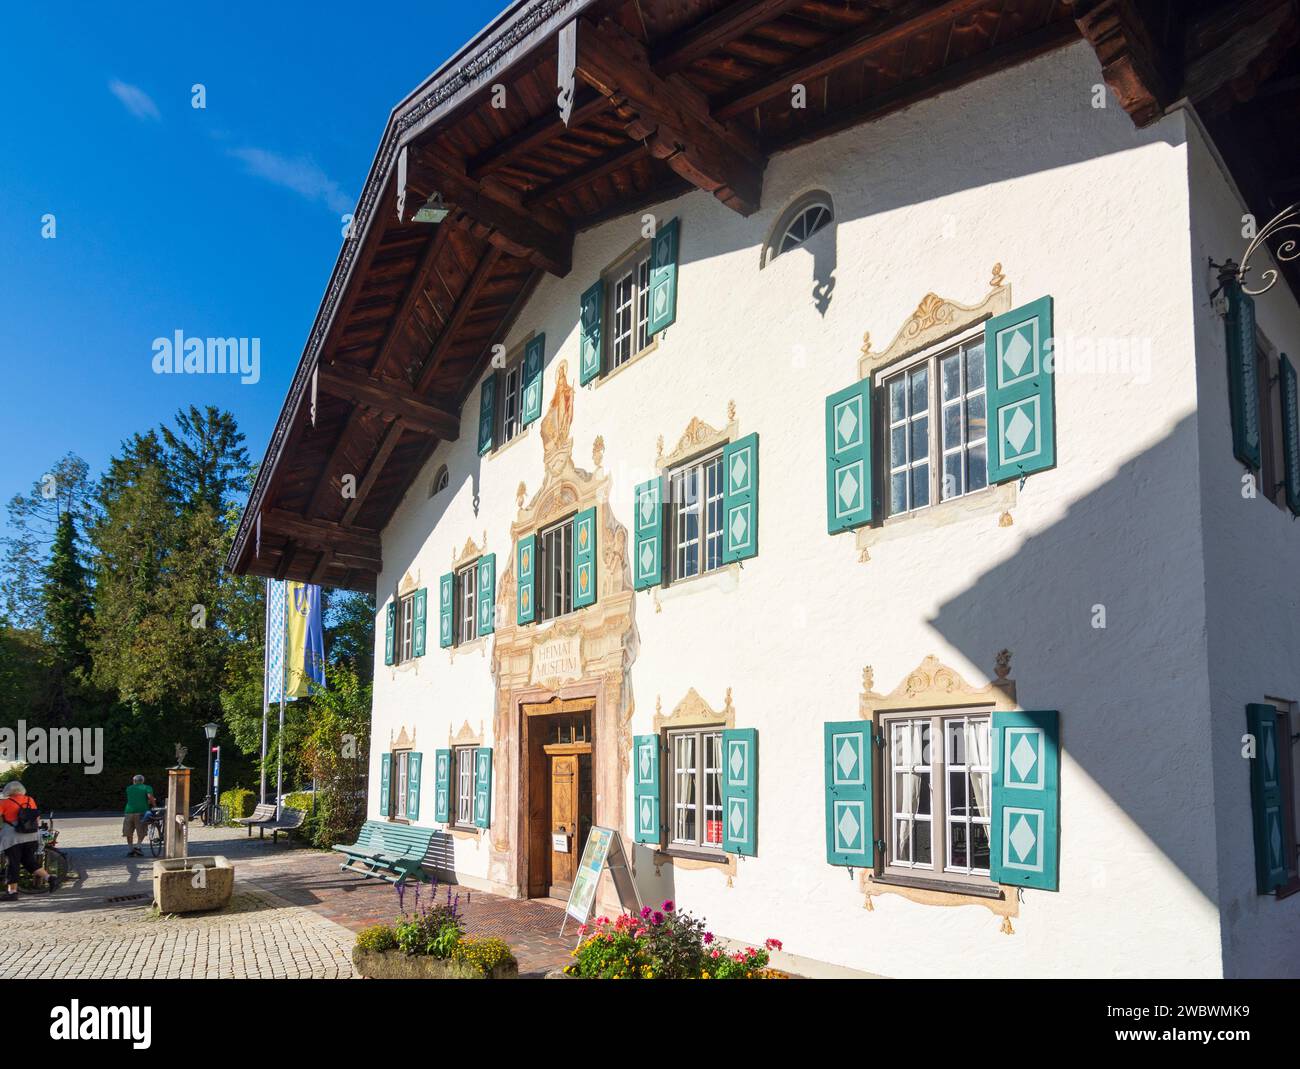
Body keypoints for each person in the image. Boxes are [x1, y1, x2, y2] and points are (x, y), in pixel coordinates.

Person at [1, 781, 55, 901]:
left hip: (13, 838)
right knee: (28, 861)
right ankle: (49, 878)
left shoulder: (4, 802)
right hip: (32, 835)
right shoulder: (30, 800)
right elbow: (36, 817)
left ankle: (12, 892)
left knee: (13, 863)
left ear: (8, 791)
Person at [123, 774, 156, 858]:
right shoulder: (147, 787)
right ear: (143, 781)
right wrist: (154, 805)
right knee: (142, 830)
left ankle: (130, 850)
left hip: (128, 812)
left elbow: (134, 799)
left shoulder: (129, 788)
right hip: (141, 812)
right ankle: (138, 847)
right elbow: (149, 797)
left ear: (134, 781)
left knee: (128, 831)